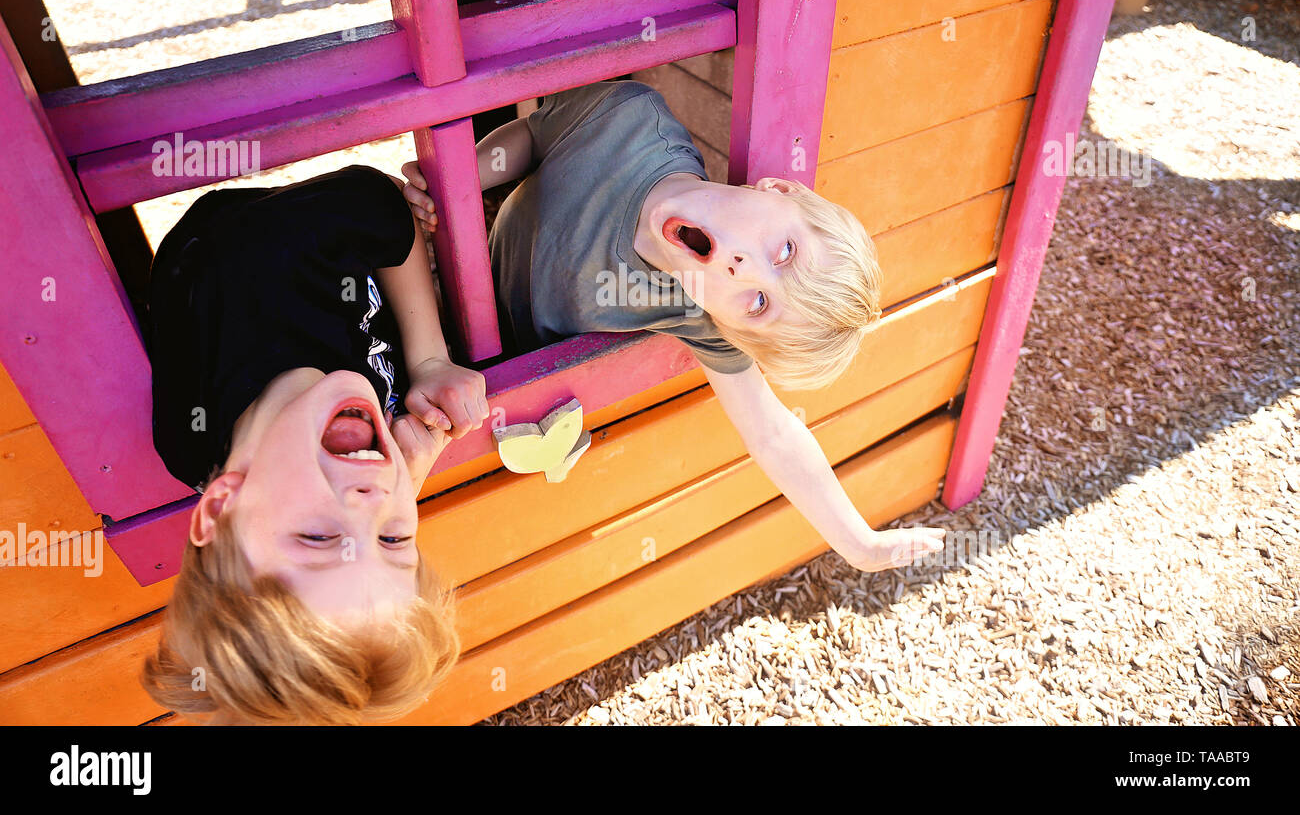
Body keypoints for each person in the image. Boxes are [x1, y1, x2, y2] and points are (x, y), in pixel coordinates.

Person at [401, 79, 946, 574]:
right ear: (782, 191)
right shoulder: (628, 119)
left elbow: (773, 433)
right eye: (785, 252)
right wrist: (463, 180)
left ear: (730, 327)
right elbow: (533, 135)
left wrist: (857, 542)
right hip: (465, 280)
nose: (745, 270)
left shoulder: (697, 314)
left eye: (759, 303)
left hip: (489, 364)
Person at [140, 164, 490, 724]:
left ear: (220, 506)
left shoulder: (267, 258)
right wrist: (409, 460)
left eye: (320, 537)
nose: (373, 499)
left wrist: (428, 354)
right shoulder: (324, 451)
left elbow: (380, 201)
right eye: (394, 538)